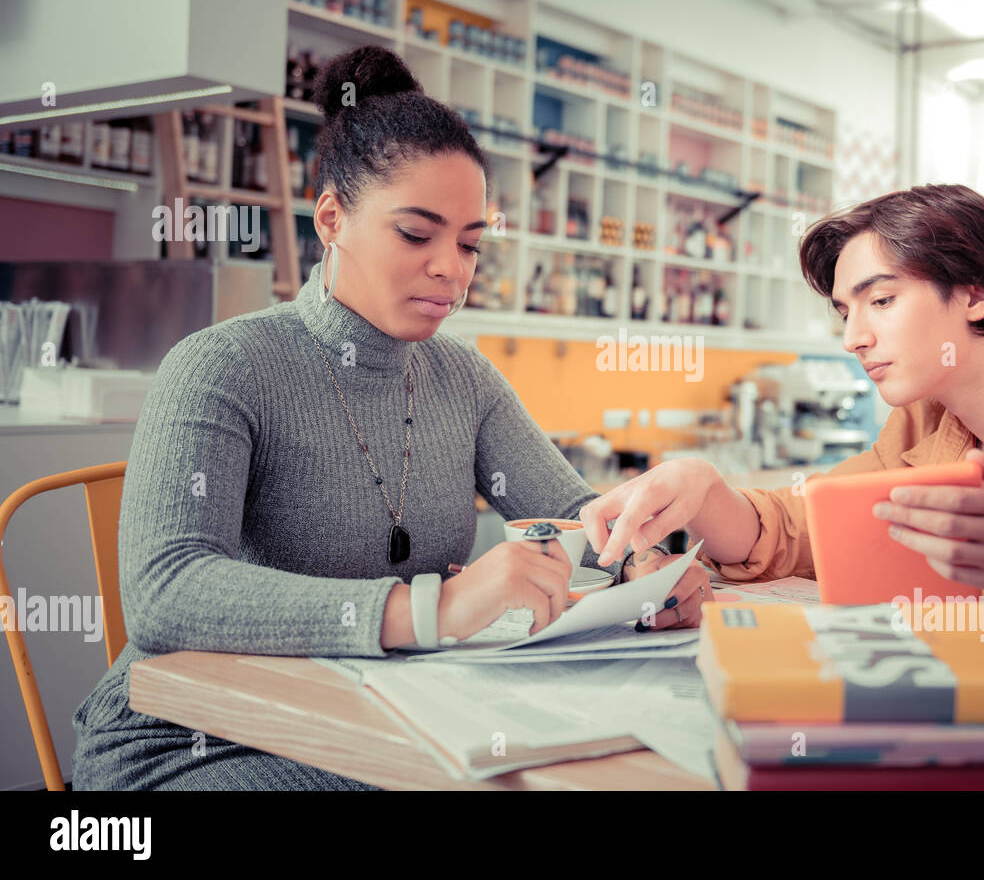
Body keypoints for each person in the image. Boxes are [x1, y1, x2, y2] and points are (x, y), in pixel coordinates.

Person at [71, 45, 707, 790]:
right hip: (196, 737)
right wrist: (432, 608)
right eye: (417, 234)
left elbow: (572, 516)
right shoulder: (223, 366)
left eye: (470, 243)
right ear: (332, 219)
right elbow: (165, 590)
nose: (452, 268)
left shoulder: (460, 376)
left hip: (377, 715)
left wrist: (645, 565)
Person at [581, 183, 984, 631]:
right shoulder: (924, 425)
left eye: (881, 300)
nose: (852, 336)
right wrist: (702, 489)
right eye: (845, 310)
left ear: (977, 292)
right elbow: (798, 527)